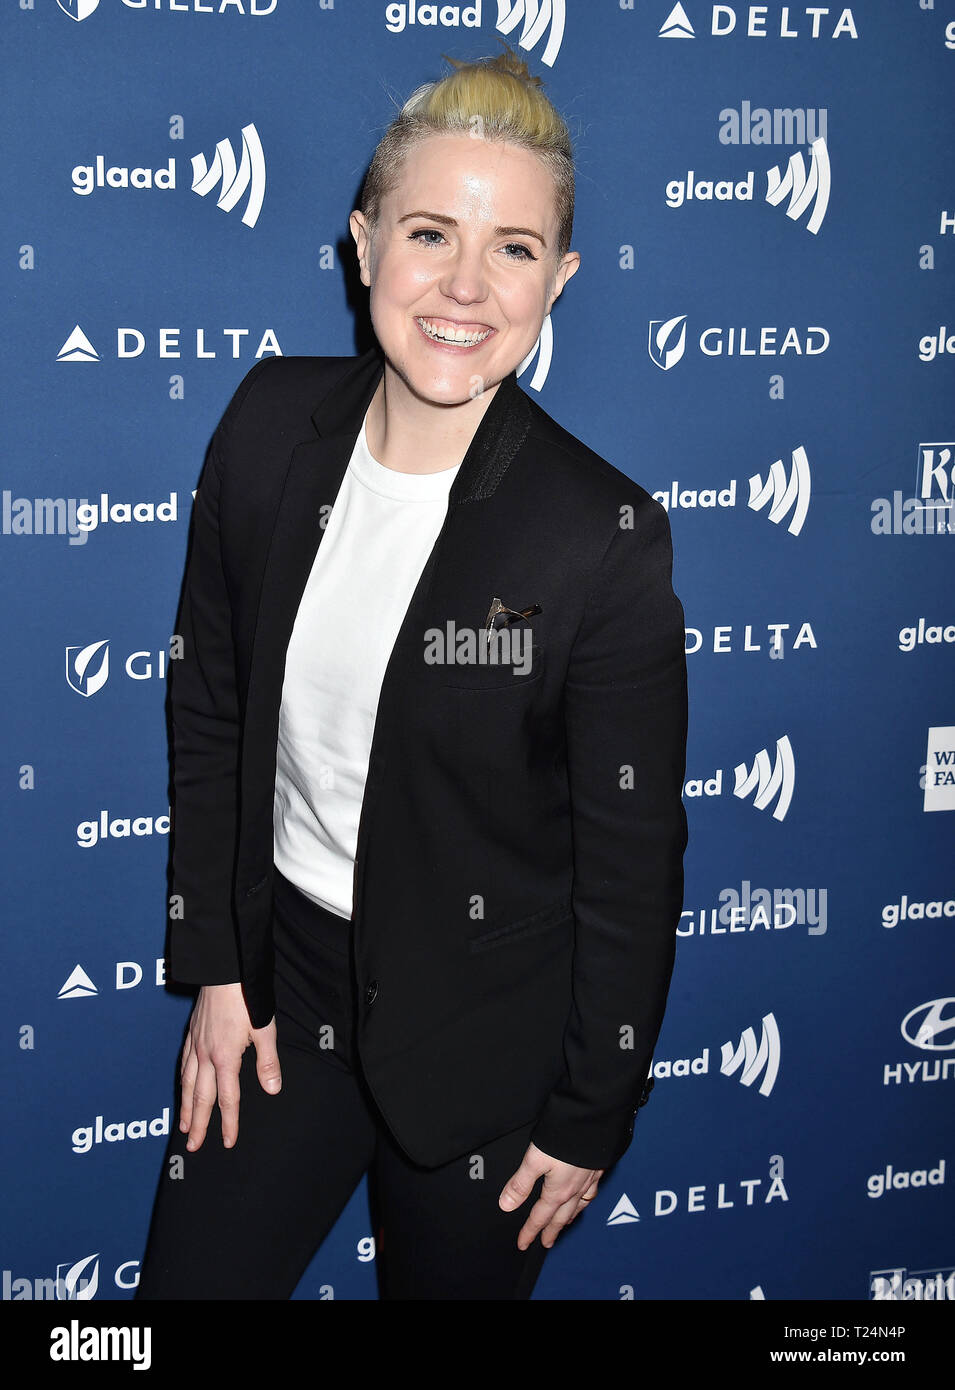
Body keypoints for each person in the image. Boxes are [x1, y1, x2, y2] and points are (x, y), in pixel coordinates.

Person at [135, 44, 688, 1302]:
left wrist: (591, 1109)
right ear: (363, 240)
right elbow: (213, 709)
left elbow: (630, 857)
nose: (466, 286)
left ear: (561, 278)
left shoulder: (596, 535)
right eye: (431, 231)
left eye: (513, 249)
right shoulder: (268, 427)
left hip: (488, 1044)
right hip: (281, 1001)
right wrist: (222, 968)